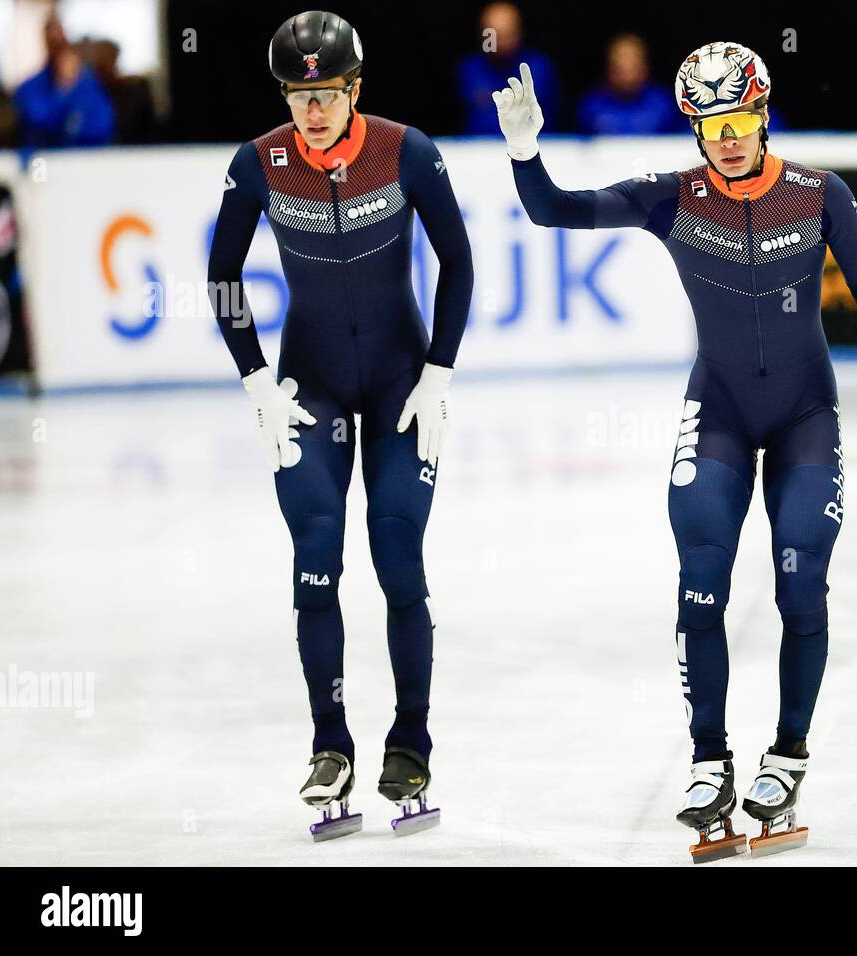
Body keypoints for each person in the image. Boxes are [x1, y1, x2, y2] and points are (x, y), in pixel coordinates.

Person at [494, 42, 857, 862]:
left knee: (800, 585)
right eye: (710, 124)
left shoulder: (819, 194)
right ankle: (708, 760)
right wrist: (525, 152)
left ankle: (788, 754)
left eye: (739, 120)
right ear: (693, 127)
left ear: (763, 116)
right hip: (720, 413)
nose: (727, 138)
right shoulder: (671, 198)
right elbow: (554, 210)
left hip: (806, 415)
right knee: (702, 589)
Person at [206, 11, 473, 840]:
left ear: (354, 89)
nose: (310, 109)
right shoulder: (259, 163)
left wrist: (439, 370)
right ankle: (330, 744)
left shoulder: (406, 150)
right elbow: (222, 276)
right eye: (296, 94)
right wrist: (254, 377)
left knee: (398, 556)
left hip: (399, 386)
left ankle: (411, 740)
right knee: (316, 554)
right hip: (310, 387)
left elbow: (459, 263)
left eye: (324, 93)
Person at [13, 13, 115, 148]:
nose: (55, 42)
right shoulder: (30, 87)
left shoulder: (87, 85)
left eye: (59, 37)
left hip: (87, 160)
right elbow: (39, 121)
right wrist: (63, 89)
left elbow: (102, 126)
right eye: (51, 37)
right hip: (43, 159)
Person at [457, 2, 557, 135]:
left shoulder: (538, 67)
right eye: (492, 35)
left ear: (518, 32)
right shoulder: (468, 69)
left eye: (507, 34)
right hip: (479, 148)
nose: (500, 41)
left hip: (533, 146)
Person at [576, 34, 685, 135]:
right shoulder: (591, 107)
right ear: (609, 69)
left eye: (633, 68)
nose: (627, 77)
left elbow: (684, 142)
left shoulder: (666, 104)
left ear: (644, 68)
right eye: (620, 69)